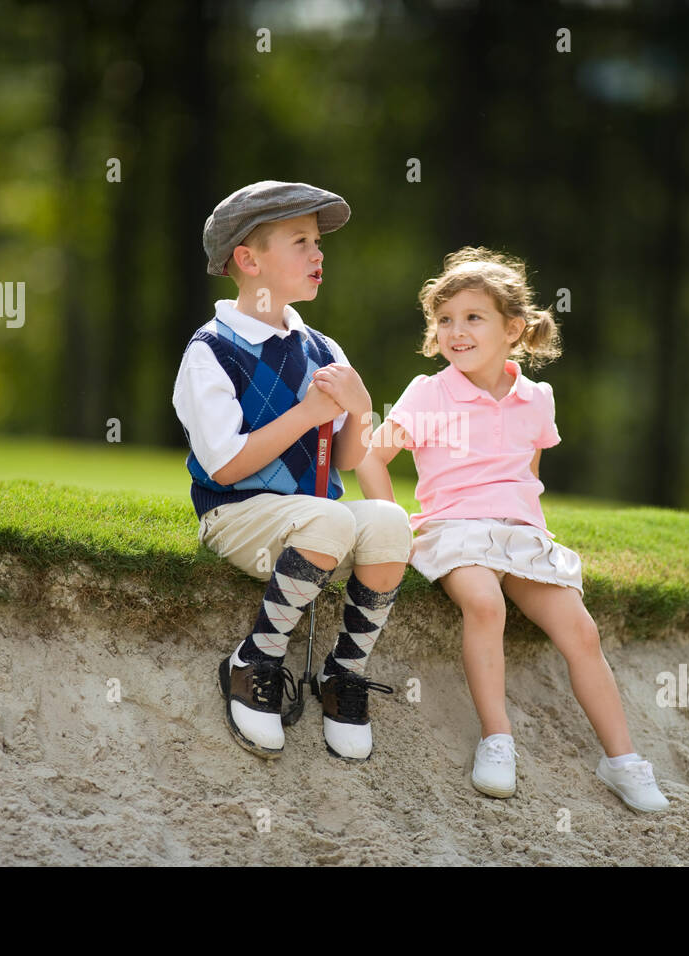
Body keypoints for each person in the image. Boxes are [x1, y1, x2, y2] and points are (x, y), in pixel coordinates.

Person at [356, 247, 669, 812]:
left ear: (513, 328)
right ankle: (497, 741)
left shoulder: (537, 398)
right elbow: (372, 460)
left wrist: (529, 542)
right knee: (484, 603)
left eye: (473, 318)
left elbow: (528, 477)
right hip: (453, 528)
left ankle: (622, 759)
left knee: (581, 631)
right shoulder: (430, 391)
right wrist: (391, 525)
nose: (456, 331)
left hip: (519, 532)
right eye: (445, 319)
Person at [174, 181, 411, 762]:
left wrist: (360, 406)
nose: (319, 253)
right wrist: (308, 413)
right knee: (328, 520)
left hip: (311, 521)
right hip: (237, 517)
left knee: (389, 522)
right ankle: (255, 657)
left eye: (318, 241)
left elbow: (351, 458)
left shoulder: (323, 347)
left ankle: (342, 672)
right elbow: (225, 466)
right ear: (249, 261)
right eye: (301, 241)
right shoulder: (211, 349)